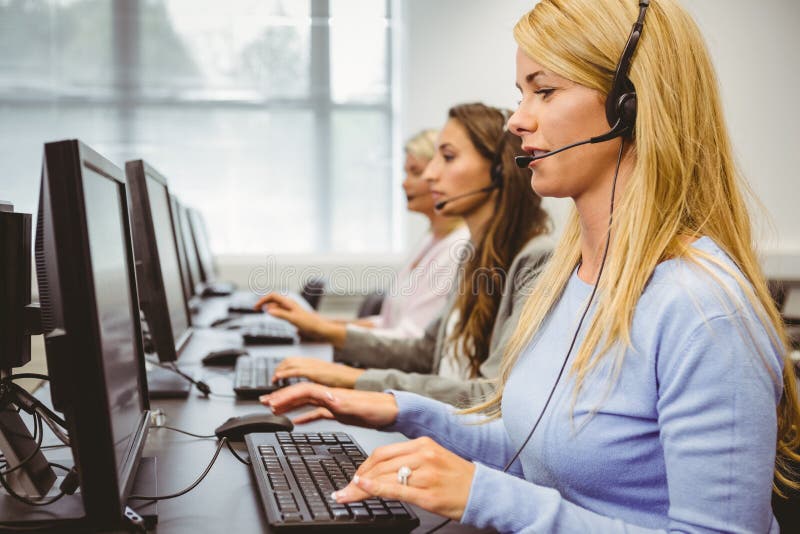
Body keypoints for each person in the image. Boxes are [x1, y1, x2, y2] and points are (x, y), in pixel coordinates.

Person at [260, 0, 800, 532]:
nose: (518, 120)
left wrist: (484, 495)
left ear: (628, 106)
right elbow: (531, 444)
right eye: (522, 94)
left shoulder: (702, 309)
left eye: (545, 91)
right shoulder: (568, 279)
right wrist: (401, 409)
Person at [265, 103, 551, 406]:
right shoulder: (473, 254)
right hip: (440, 427)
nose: (429, 174)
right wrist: (335, 364)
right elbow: (424, 353)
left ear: (499, 169)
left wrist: (352, 379)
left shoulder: (535, 261)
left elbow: (490, 396)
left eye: (449, 157)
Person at [256, 129, 469, 340]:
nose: (404, 183)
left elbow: (411, 341)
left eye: (415, 172)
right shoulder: (431, 239)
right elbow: (387, 325)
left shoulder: (456, 248)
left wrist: (321, 329)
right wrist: (312, 322)